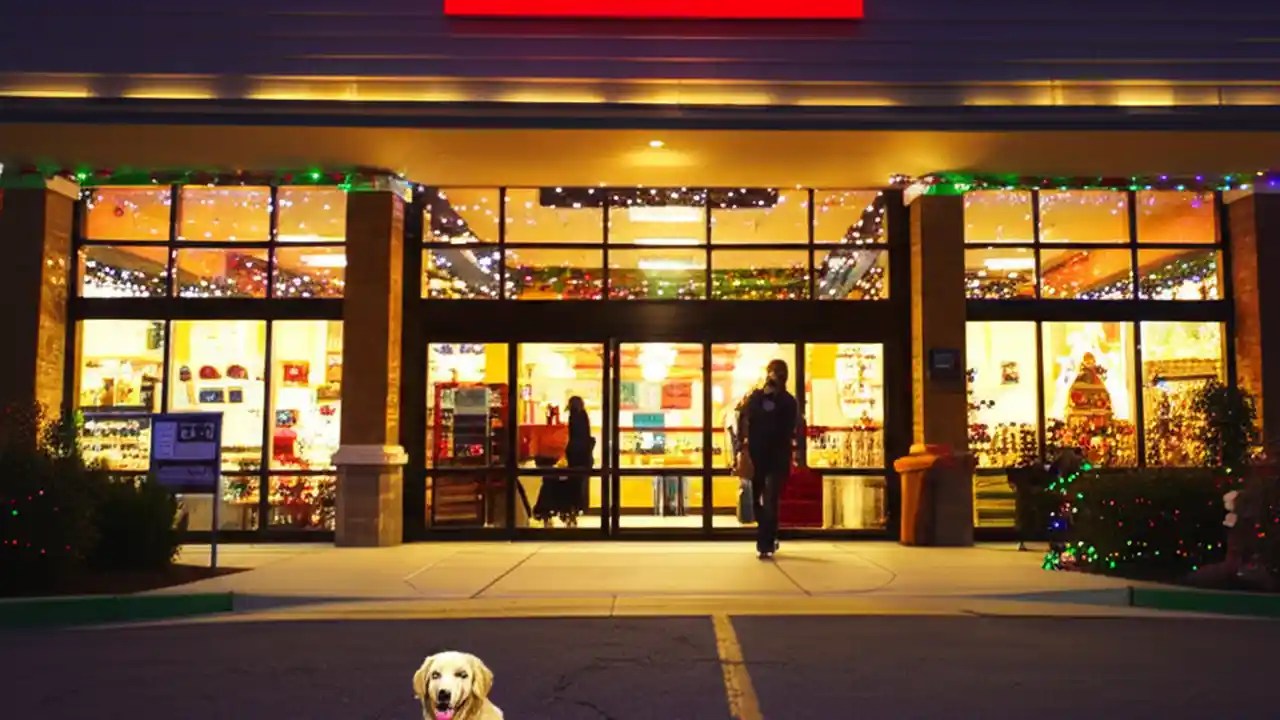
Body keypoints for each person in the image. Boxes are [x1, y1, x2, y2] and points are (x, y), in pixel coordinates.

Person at [739, 359, 799, 559]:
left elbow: (790, 427)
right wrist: (742, 446)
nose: (776, 375)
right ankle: (767, 533)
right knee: (755, 498)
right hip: (757, 456)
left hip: (778, 457)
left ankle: (766, 541)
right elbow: (743, 417)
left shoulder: (788, 401)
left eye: (779, 372)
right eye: (773, 372)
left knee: (772, 499)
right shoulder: (756, 397)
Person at [563, 395, 595, 527]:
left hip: (575, 456)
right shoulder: (583, 416)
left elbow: (573, 437)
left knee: (573, 485)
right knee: (580, 485)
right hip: (584, 456)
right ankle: (577, 509)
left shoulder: (574, 417)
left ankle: (573, 510)